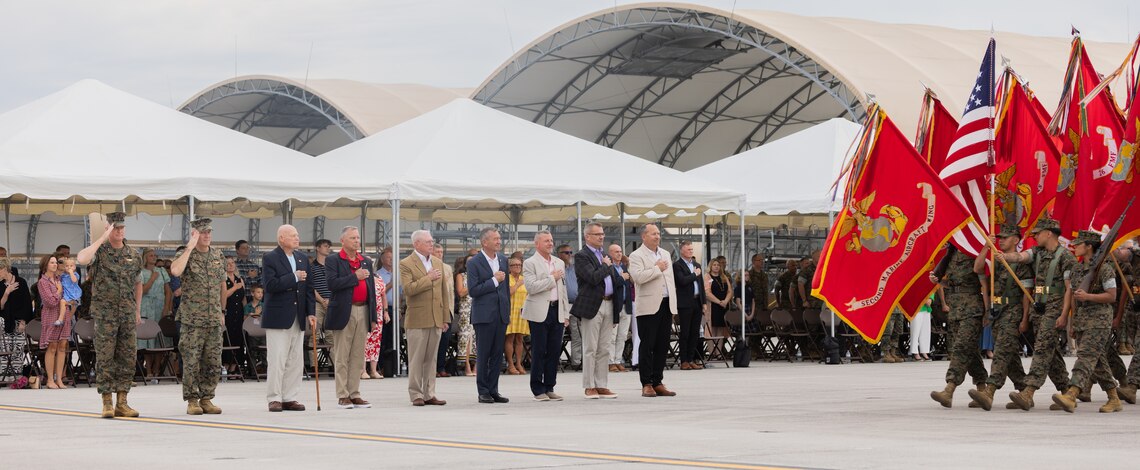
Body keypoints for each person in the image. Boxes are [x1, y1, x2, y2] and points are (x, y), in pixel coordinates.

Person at [76, 212, 143, 418]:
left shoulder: (133, 254)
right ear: (108, 229)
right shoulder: (100, 252)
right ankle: (106, 401)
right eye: (115, 228)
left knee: (128, 357)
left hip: (127, 314)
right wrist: (101, 238)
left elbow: (138, 283)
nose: (120, 232)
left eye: (122, 228)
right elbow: (82, 258)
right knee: (105, 357)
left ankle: (122, 401)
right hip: (105, 314)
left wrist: (137, 310)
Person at [1005, 218, 1076, 411]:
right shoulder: (1038, 253)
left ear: (1049, 233)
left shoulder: (1066, 257)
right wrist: (1003, 256)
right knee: (1050, 352)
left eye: (1038, 232)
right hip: (1039, 308)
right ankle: (1067, 391)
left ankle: (1029, 391)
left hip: (1055, 308)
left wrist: (1065, 315)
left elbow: (1070, 289)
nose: (1035, 236)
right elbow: (1021, 257)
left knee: (1043, 348)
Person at [1052, 230, 1122, 413]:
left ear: (1089, 246)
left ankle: (1071, 394)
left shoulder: (1105, 269)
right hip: (1083, 320)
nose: (1074, 247)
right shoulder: (1077, 269)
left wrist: (1089, 296)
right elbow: (1074, 296)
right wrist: (1073, 322)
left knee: (1086, 357)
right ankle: (1114, 398)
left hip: (1099, 321)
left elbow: (1112, 296)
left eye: (1079, 244)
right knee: (1098, 361)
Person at [968, 224, 1032, 411]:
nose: (1001, 240)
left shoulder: (1021, 264)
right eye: (1000, 237)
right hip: (998, 311)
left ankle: (989, 391)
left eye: (1005, 237)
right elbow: (977, 268)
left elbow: (1026, 294)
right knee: (1009, 355)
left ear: (1016, 240)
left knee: (1002, 351)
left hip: (1013, 311)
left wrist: (1025, 319)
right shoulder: (995, 261)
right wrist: (987, 246)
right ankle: (1024, 390)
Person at [168, 218, 227, 415]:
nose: (207, 235)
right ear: (195, 235)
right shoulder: (186, 255)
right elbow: (175, 271)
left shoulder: (218, 256)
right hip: (192, 319)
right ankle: (192, 400)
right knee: (191, 360)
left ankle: (207, 397)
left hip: (213, 319)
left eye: (209, 232)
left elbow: (222, 285)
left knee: (213, 361)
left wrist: (222, 311)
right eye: (203, 232)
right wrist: (189, 248)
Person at [260, 224, 315, 413]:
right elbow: (270, 285)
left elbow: (308, 288)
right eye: (293, 235)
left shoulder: (302, 258)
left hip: (298, 316)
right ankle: (274, 398)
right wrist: (293, 277)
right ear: (281, 238)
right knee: (277, 359)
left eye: (298, 235)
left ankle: (290, 397)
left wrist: (311, 312)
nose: (297, 238)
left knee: (295, 360)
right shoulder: (270, 258)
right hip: (278, 316)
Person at [929, 241, 988, 408]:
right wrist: (938, 281)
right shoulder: (951, 254)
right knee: (970, 350)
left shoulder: (973, 250)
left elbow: (983, 280)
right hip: (955, 309)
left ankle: (949, 389)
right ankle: (982, 388)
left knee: (961, 348)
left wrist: (987, 310)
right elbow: (952, 284)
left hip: (972, 308)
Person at [324, 226, 376, 409]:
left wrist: (373, 316)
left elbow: (371, 290)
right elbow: (332, 284)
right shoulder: (333, 260)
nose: (357, 241)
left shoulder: (366, 261)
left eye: (358, 238)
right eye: (353, 238)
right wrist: (355, 277)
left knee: (357, 355)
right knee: (342, 355)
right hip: (344, 312)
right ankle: (342, 394)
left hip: (363, 310)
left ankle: (354, 393)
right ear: (343, 241)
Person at [398, 230, 450, 407]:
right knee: (416, 358)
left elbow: (444, 291)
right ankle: (415, 393)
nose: (431, 244)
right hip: (418, 318)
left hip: (436, 317)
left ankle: (429, 393)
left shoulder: (437, 262)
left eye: (432, 241)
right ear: (416, 244)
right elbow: (408, 289)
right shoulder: (406, 264)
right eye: (427, 241)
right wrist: (428, 278)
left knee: (431, 358)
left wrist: (445, 317)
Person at [570, 223, 621, 399]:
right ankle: (589, 385)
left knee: (604, 348)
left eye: (602, 234)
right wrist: (606, 266)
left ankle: (601, 384)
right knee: (590, 347)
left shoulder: (605, 255)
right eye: (597, 234)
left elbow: (613, 281)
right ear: (587, 237)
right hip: (592, 305)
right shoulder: (582, 256)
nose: (601, 237)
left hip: (609, 303)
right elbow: (592, 278)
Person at [628, 223, 678, 398]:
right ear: (644, 236)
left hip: (666, 304)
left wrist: (674, 304)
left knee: (662, 345)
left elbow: (670, 280)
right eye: (653, 234)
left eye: (658, 233)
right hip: (649, 306)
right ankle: (647, 383)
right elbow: (638, 278)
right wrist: (657, 268)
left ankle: (658, 381)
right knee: (647, 345)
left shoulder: (665, 253)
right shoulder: (636, 255)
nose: (657, 236)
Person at [523, 230, 570, 401]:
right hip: (539, 312)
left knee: (554, 351)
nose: (550, 243)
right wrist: (552, 278)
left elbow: (562, 289)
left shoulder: (558, 262)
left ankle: (550, 386)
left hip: (557, 310)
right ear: (537, 244)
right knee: (539, 350)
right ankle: (537, 388)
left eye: (551, 240)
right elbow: (531, 287)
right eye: (546, 241)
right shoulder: (530, 263)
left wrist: (565, 313)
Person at [467, 227, 511, 404]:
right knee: (484, 354)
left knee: (497, 354)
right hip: (484, 315)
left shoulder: (502, 259)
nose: (499, 241)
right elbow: (473, 290)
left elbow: (506, 290)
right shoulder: (474, 262)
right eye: (495, 239)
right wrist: (494, 280)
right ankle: (483, 390)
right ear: (484, 242)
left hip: (500, 314)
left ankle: (494, 389)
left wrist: (506, 311)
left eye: (499, 238)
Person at [37, 254, 69, 389]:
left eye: (56, 262)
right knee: (52, 347)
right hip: (51, 316)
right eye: (52, 262)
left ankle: (59, 378)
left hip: (64, 314)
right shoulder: (42, 282)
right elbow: (50, 301)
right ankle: (50, 379)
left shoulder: (60, 279)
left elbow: (68, 294)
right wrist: (59, 291)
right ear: (45, 265)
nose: (55, 265)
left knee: (62, 346)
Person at [673, 240, 705, 371]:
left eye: (692, 250)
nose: (691, 252)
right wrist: (694, 274)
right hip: (685, 303)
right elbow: (682, 281)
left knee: (695, 332)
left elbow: (701, 285)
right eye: (688, 250)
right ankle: (684, 360)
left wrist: (704, 302)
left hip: (697, 301)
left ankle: (691, 359)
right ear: (681, 251)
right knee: (685, 332)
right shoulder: (677, 265)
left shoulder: (696, 264)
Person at [137, 248, 171, 354]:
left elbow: (168, 292)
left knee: (159, 337)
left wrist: (166, 308)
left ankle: (157, 368)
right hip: (146, 307)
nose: (154, 257)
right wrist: (152, 278)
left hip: (159, 307)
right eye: (151, 255)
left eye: (155, 255)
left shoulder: (161, 271)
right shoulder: (141, 272)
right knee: (147, 336)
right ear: (145, 258)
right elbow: (143, 291)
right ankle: (148, 369)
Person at [607, 245, 634, 372]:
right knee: (612, 336)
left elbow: (630, 285)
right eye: (616, 252)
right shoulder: (608, 268)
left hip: (626, 305)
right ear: (610, 253)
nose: (619, 254)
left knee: (622, 335)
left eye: (620, 251)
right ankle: (610, 361)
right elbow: (611, 284)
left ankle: (618, 360)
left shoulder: (624, 267)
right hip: (615, 305)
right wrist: (622, 278)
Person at [557, 244, 581, 370]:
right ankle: (555, 359)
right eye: (566, 252)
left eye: (571, 252)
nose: (569, 255)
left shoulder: (574, 268)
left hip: (576, 304)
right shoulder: (557, 268)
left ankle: (576, 361)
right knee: (559, 334)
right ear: (559, 254)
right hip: (562, 305)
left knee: (577, 334)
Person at [222, 256, 246, 376]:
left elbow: (244, 298)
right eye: (228, 263)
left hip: (239, 312)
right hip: (227, 312)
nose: (230, 265)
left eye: (232, 263)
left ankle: (235, 366)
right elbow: (223, 295)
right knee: (227, 338)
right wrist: (234, 287)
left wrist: (246, 313)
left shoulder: (239, 279)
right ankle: (225, 365)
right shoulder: (222, 279)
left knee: (238, 338)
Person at [432, 243, 454, 378]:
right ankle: (431, 368)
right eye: (437, 252)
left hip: (448, 308)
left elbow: (450, 290)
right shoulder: (430, 267)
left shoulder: (447, 268)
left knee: (445, 340)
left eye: (441, 252)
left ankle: (441, 367)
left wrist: (450, 308)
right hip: (435, 308)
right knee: (433, 340)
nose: (440, 254)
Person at [505, 257, 529, 375]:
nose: (517, 267)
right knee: (510, 338)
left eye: (519, 265)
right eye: (514, 265)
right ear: (509, 267)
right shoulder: (506, 279)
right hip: (510, 311)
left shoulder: (524, 279)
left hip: (521, 311)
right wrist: (518, 284)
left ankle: (519, 363)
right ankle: (510, 364)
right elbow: (509, 292)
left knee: (520, 339)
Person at [309, 239, 334, 349]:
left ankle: (333, 365)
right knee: (314, 333)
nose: (328, 248)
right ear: (318, 248)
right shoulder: (311, 267)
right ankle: (313, 365)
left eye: (329, 246)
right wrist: (322, 300)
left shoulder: (332, 266)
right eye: (325, 246)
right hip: (317, 303)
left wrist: (330, 300)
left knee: (331, 334)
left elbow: (336, 284)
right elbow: (310, 287)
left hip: (331, 302)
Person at [454, 255, 475, 376]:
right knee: (466, 337)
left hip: (478, 307)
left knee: (477, 338)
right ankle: (467, 365)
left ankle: (476, 366)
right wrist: (474, 284)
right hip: (465, 309)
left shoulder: (480, 275)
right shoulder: (461, 276)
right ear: (466, 264)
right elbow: (461, 292)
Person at [705, 259, 733, 348]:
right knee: (711, 330)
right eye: (714, 265)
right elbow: (707, 293)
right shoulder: (707, 277)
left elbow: (730, 291)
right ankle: (711, 352)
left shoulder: (723, 277)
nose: (716, 266)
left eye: (718, 265)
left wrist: (725, 301)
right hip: (713, 306)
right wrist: (719, 302)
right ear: (710, 266)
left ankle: (718, 352)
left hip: (723, 306)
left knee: (721, 329)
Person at [910, 295, 933, 361]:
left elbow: (932, 287)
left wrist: (930, 298)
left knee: (925, 330)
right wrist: (923, 298)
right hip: (916, 306)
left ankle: (924, 351)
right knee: (915, 330)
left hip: (926, 307)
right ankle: (915, 352)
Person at [244, 285, 266, 352]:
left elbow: (265, 319)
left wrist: (254, 315)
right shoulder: (247, 306)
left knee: (264, 352)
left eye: (262, 292)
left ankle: (263, 363)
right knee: (252, 351)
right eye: (258, 292)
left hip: (262, 332)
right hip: (251, 333)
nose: (260, 294)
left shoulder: (264, 305)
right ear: (252, 293)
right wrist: (255, 314)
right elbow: (245, 320)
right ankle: (251, 362)